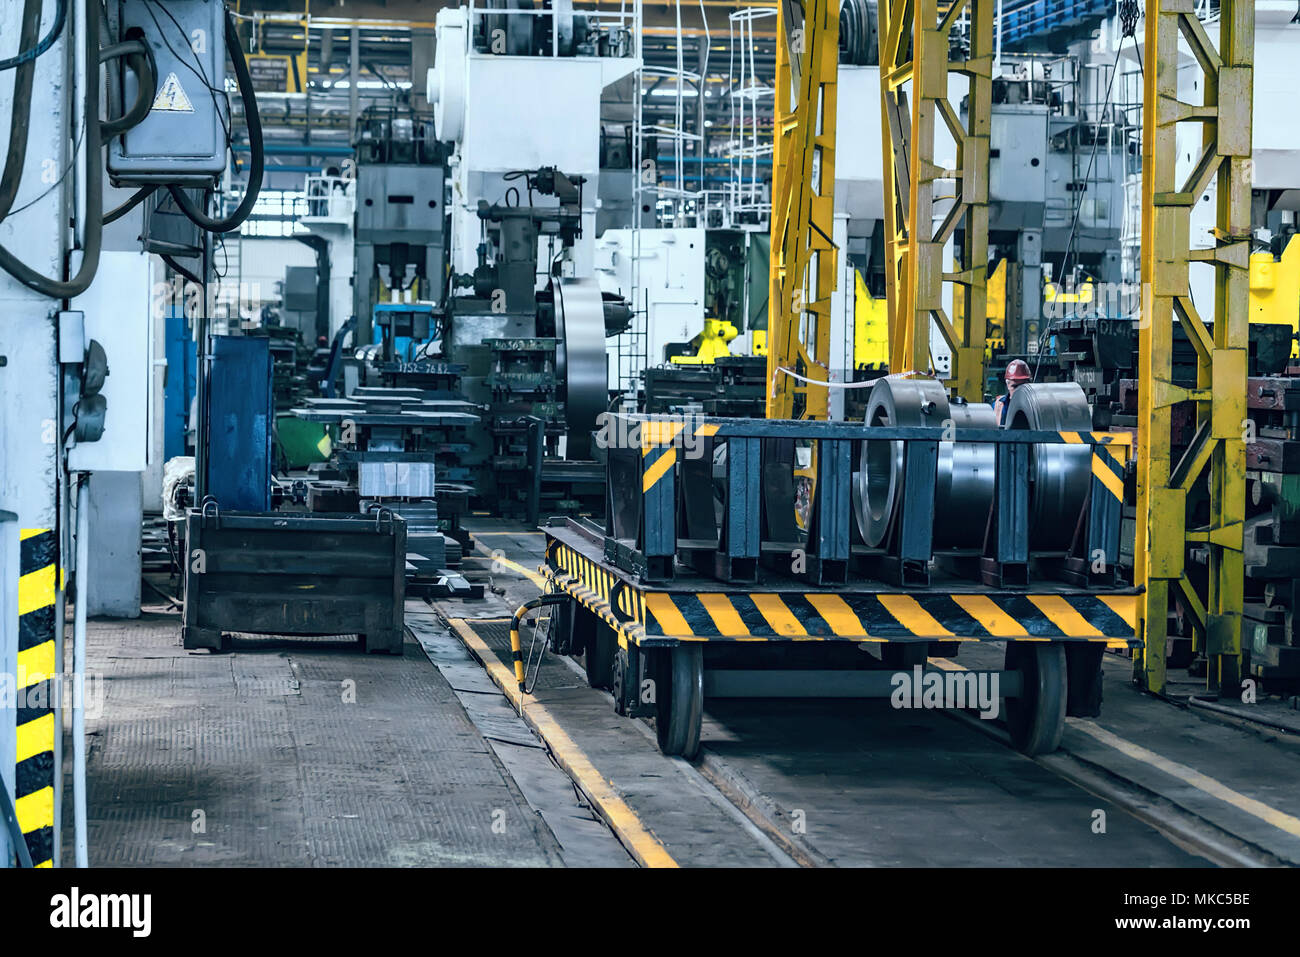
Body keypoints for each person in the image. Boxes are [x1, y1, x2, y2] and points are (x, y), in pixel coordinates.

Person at [993, 358, 1032, 426]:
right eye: (1015, 387)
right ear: (1007, 385)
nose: (1019, 391)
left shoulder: (1036, 407)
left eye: (1023, 387)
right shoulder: (997, 405)